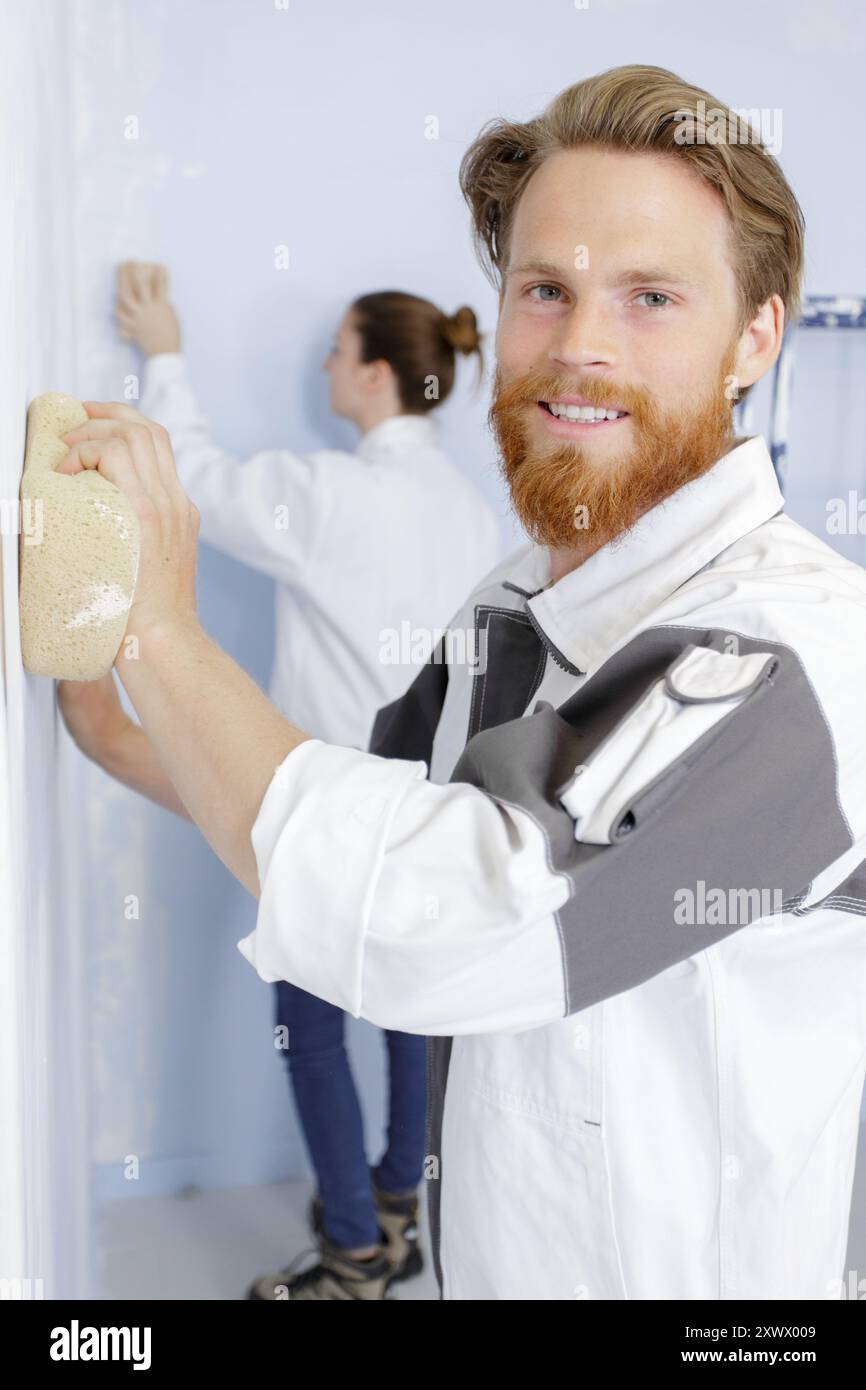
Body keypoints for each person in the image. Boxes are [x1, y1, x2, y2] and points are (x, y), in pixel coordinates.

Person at [58, 63, 866, 1301]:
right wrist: (110, 726)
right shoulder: (507, 606)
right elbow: (371, 809)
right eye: (545, 288)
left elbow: (439, 912)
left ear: (753, 336)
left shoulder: (787, 651)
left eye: (649, 296)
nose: (579, 346)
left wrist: (164, 635)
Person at [64, 271, 501, 1300]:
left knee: (310, 1034)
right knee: (408, 1014)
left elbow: (194, 486)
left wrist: (163, 354)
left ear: (377, 372)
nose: (321, 365)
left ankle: (354, 1256)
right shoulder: (471, 515)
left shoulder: (330, 496)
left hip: (325, 813)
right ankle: (398, 1196)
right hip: (430, 813)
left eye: (337, 349)